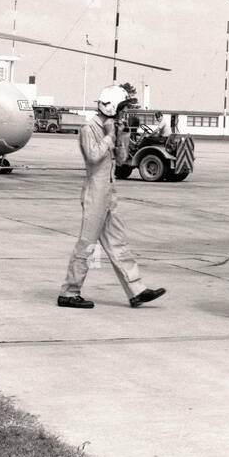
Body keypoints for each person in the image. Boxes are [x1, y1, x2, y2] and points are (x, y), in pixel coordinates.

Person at [57, 84, 166, 310]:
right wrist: (108, 136)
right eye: (121, 108)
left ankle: (136, 290)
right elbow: (94, 156)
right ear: (111, 106)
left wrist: (122, 137)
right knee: (87, 245)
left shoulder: (112, 127)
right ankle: (69, 292)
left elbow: (123, 158)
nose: (123, 113)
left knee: (118, 243)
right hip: (94, 191)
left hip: (108, 191)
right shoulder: (89, 128)